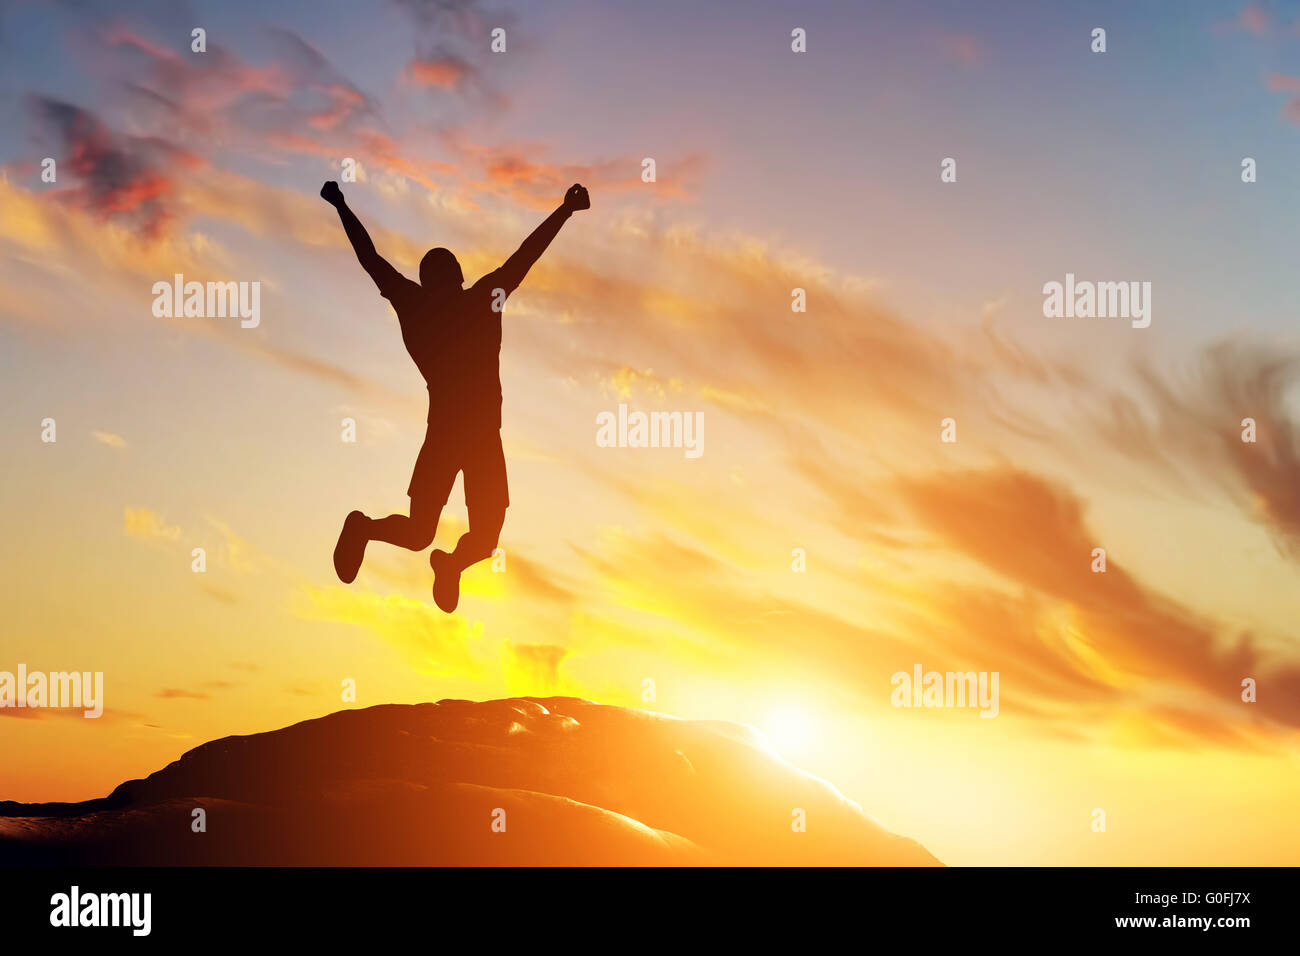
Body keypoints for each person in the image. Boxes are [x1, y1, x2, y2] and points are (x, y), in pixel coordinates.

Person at [321, 179, 590, 611]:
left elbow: (372, 260)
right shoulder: (475, 300)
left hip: (473, 436)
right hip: (457, 435)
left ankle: (444, 565)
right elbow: (523, 259)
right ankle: (367, 530)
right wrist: (564, 211)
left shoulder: (429, 304)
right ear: (452, 282)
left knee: (469, 539)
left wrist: (341, 205)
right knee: (430, 534)